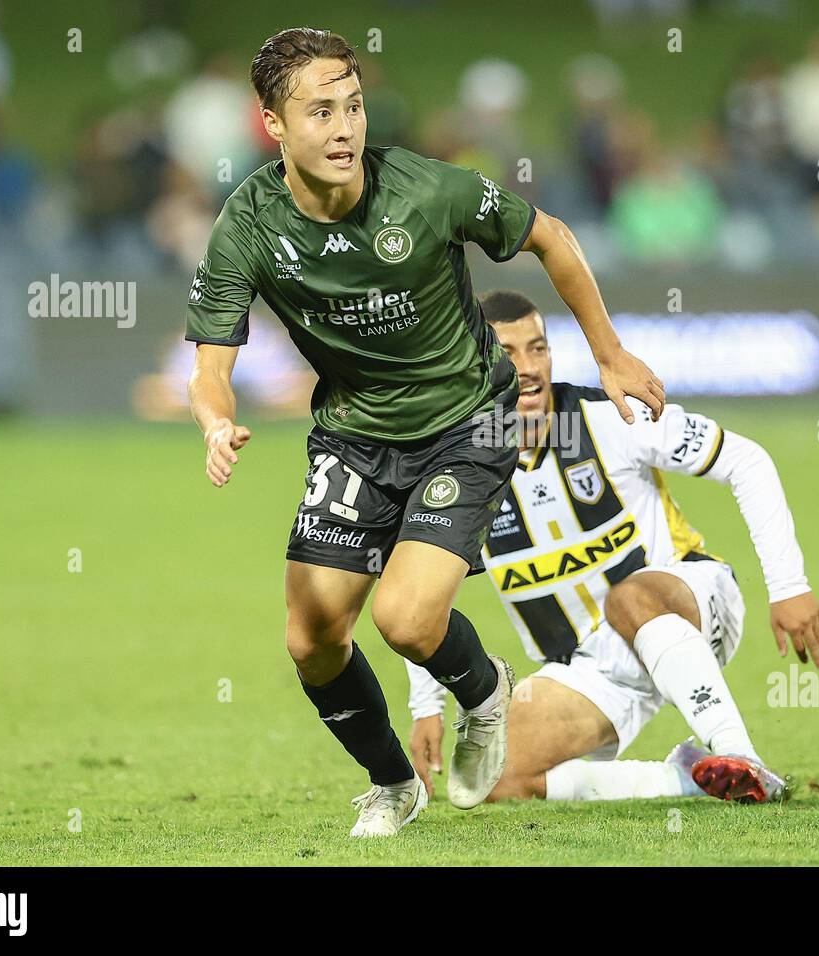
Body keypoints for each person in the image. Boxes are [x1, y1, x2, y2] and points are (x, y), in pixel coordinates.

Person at [184, 28, 664, 837]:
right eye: (320, 112)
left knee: (405, 621)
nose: (345, 129)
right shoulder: (250, 224)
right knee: (311, 639)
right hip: (354, 437)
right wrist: (216, 419)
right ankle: (393, 783)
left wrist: (609, 353)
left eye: (355, 106)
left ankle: (483, 693)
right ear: (273, 125)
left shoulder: (428, 190)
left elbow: (551, 235)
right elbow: (210, 357)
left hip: (468, 420)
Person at [407, 291, 819, 804]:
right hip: (592, 669)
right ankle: (690, 779)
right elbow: (421, 589)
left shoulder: (609, 418)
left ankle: (745, 758)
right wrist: (426, 703)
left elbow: (748, 461)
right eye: (508, 353)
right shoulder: (460, 470)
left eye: (538, 348)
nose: (529, 368)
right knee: (486, 780)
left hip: (688, 604)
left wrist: (789, 588)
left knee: (628, 598)